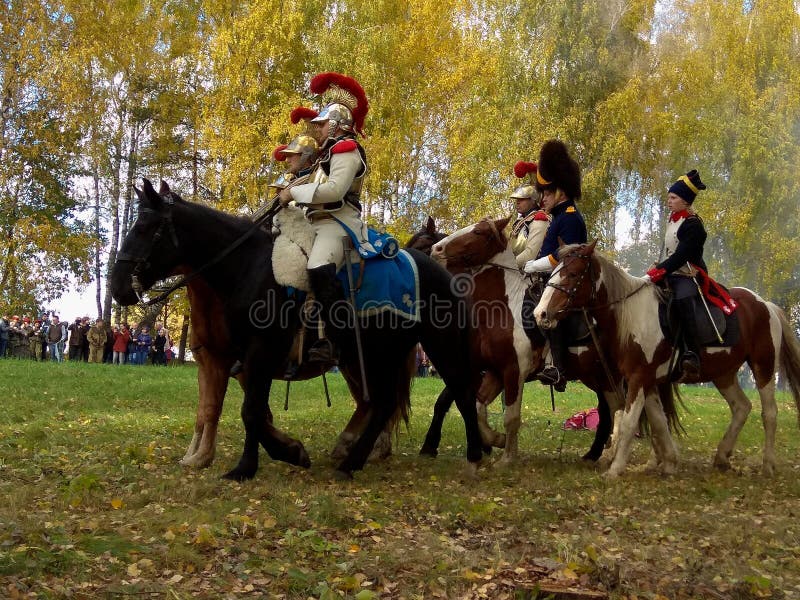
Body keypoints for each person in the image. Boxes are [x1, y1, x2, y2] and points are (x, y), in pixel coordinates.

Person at [278, 72, 370, 364]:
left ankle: (334, 339)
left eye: (322, 124)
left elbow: (334, 191)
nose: (317, 129)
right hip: (313, 222)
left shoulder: (347, 150)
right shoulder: (324, 155)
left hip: (337, 222)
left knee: (318, 267)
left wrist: (295, 194)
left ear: (339, 125)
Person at [523, 140, 588, 391]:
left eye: (547, 194)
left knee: (547, 312)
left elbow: (562, 259)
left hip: (565, 279)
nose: (543, 199)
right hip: (551, 276)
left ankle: (557, 368)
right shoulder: (560, 216)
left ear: (560, 191)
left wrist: (531, 266)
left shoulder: (569, 217)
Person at [642, 169, 708, 381]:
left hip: (688, 275)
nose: (668, 201)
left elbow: (681, 257)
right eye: (669, 197)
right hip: (671, 273)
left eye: (673, 198)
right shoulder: (673, 220)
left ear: (685, 201)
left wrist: (656, 272)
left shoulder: (693, 225)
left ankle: (692, 354)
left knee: (682, 300)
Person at [509, 160, 550, 268]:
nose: (517, 202)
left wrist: (507, 266)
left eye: (522, 199)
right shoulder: (521, 221)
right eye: (517, 199)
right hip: (516, 271)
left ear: (533, 200)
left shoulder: (539, 220)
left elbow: (531, 254)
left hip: (534, 275)